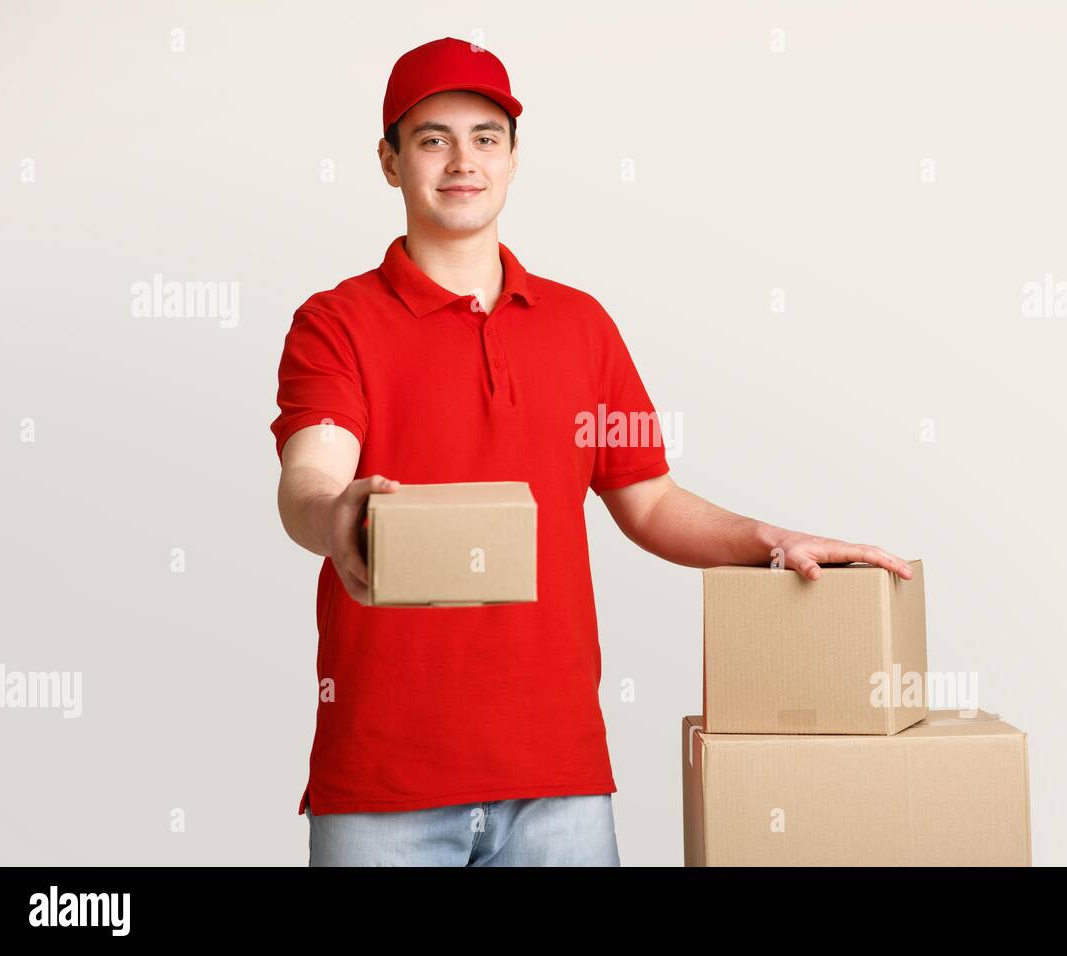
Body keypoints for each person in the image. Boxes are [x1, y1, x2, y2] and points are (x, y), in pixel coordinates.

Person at [270, 36, 913, 867]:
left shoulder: (581, 326)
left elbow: (649, 500)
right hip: (384, 784)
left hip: (559, 784)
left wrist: (771, 541)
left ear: (511, 159)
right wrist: (336, 512)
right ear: (389, 162)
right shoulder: (336, 322)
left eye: (486, 138)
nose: (462, 160)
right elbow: (310, 477)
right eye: (432, 138)